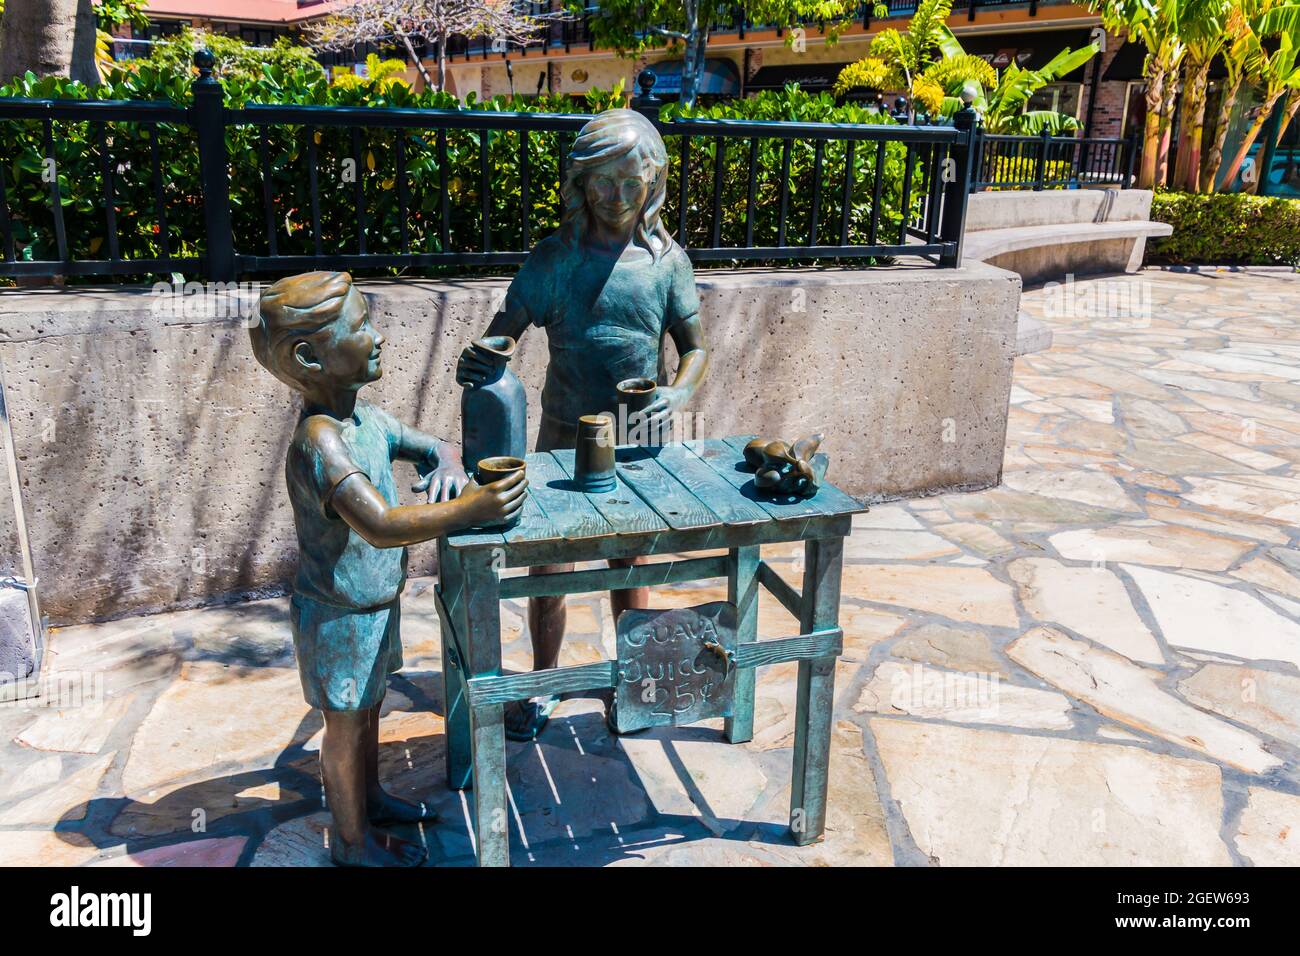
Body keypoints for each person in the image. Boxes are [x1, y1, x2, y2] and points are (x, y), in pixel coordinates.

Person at [250, 271, 527, 866]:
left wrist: (449, 463)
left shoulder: (365, 420)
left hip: (375, 605)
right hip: (337, 615)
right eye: (360, 326)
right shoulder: (320, 444)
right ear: (309, 356)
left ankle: (369, 799)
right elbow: (377, 524)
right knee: (345, 730)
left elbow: (433, 447)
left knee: (370, 708)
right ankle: (351, 844)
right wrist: (470, 507)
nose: (378, 337)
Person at [456, 109, 708, 741]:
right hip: (564, 436)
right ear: (580, 183)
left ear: (653, 183)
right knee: (551, 567)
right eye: (603, 183)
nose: (618, 198)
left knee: (634, 566)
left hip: (641, 439)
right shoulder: (553, 259)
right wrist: (485, 356)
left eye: (633, 183)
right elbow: (505, 331)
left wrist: (678, 396)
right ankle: (543, 684)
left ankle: (634, 682)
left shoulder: (667, 261)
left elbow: (696, 349)